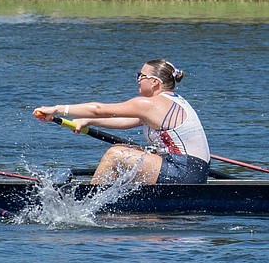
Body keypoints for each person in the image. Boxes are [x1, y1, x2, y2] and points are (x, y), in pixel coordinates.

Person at [33, 59, 210, 185]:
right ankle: (111, 195)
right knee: (131, 150)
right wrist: (89, 121)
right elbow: (125, 121)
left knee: (115, 154)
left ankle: (88, 202)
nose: (138, 79)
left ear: (155, 82)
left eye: (141, 76)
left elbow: (98, 109)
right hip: (191, 170)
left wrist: (56, 109)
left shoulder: (150, 104)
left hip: (185, 172)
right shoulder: (171, 101)